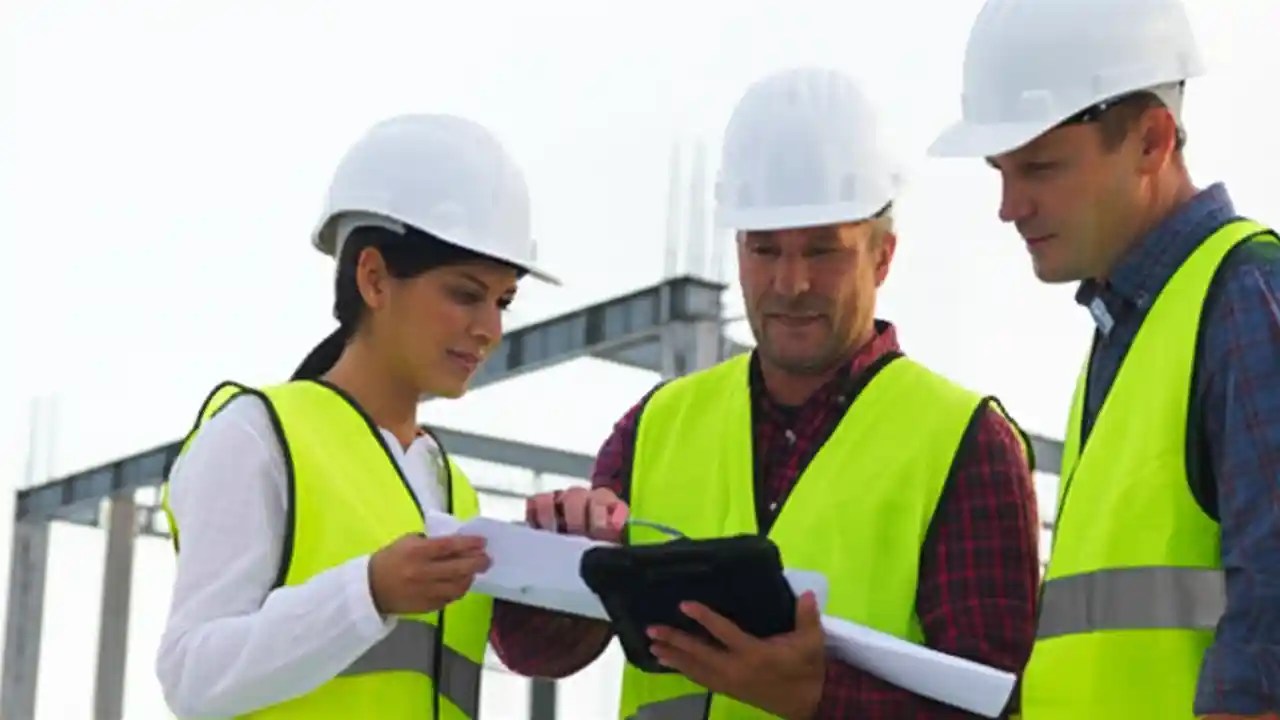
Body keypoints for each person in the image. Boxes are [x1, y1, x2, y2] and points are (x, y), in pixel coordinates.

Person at [491, 67, 1041, 719]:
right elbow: (535, 654)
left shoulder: (965, 443)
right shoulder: (656, 425)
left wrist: (817, 697)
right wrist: (561, 561)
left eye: (823, 251)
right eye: (765, 250)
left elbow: (997, 705)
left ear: (883, 257)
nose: (791, 281)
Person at [927, 1, 1280, 718]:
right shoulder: (1128, 330)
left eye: (1041, 168)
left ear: (1151, 141)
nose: (1008, 206)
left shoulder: (1244, 298)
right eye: (1001, 170)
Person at [155, 113, 559, 719]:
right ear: (373, 278)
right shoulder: (257, 437)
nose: (490, 330)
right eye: (465, 294)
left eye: (503, 302)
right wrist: (365, 593)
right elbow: (191, 675)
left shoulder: (454, 493)